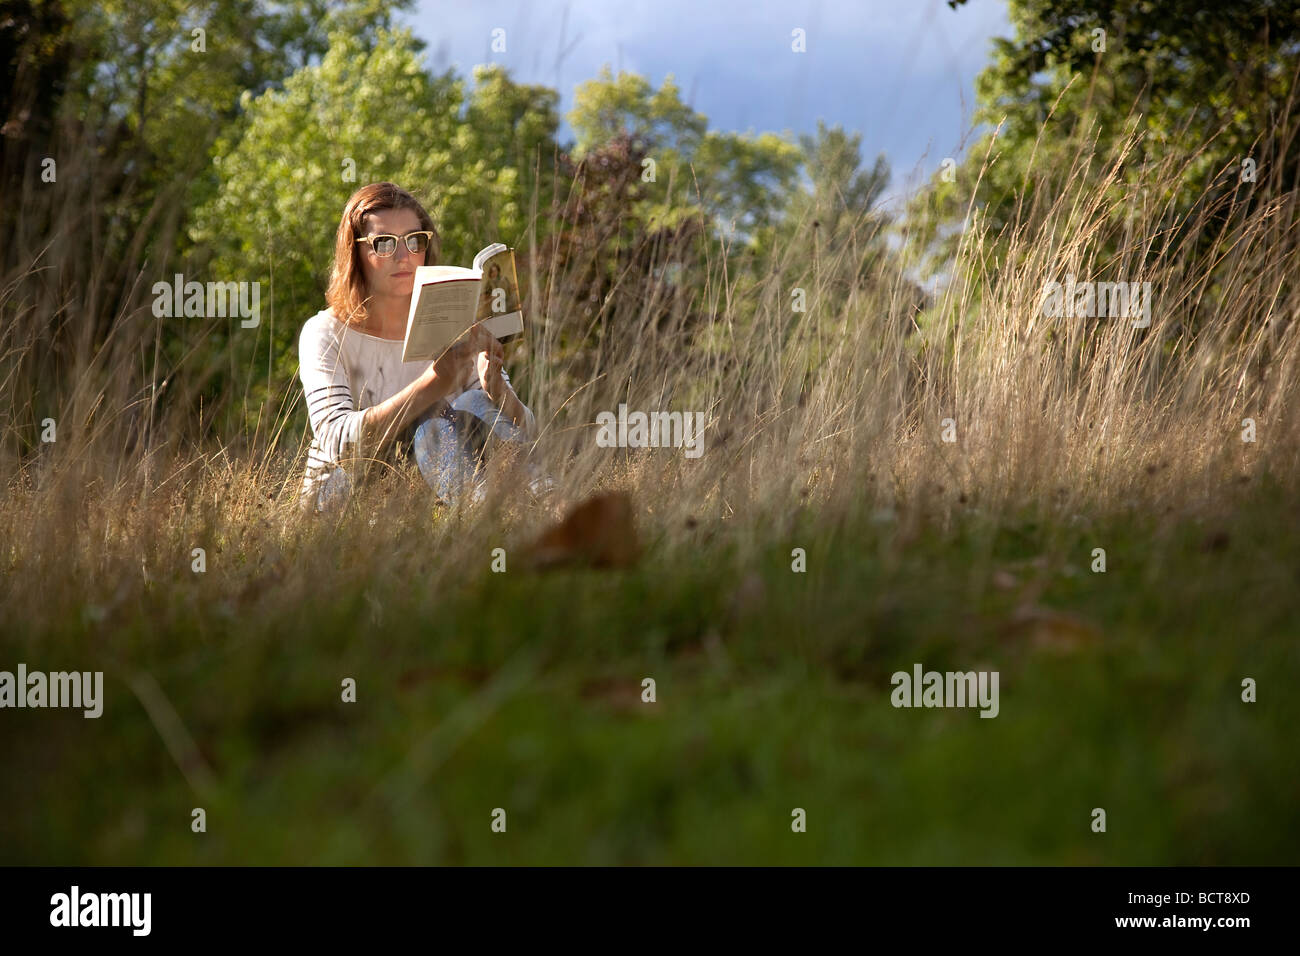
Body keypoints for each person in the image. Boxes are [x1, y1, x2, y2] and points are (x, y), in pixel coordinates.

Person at [297, 182, 540, 515]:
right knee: (430, 423)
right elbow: (340, 445)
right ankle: (489, 520)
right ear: (354, 252)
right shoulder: (325, 332)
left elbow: (526, 430)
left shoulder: (453, 321)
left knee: (473, 402)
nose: (403, 256)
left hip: (430, 484)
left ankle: (542, 505)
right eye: (383, 243)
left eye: (415, 240)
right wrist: (432, 384)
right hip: (340, 494)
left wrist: (498, 392)